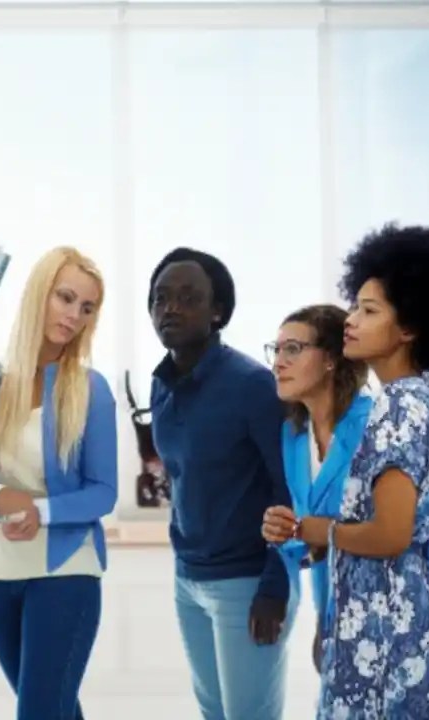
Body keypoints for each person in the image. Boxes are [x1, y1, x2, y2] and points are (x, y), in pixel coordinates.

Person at [263, 224, 429, 719]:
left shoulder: (398, 408)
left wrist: (310, 527)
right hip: (386, 626)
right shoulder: (423, 398)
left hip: (387, 635)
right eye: (354, 306)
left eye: (369, 311)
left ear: (408, 327)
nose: (351, 320)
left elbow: (391, 534)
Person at [0, 246, 117, 720]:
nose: (74, 316)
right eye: (65, 298)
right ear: (39, 294)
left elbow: (103, 491)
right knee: (56, 712)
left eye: (86, 308)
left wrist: (38, 510)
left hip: (65, 571)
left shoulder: (91, 389)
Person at [148, 247, 296, 720]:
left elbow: (286, 486)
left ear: (218, 312)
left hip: (248, 583)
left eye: (188, 297)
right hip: (188, 579)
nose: (170, 307)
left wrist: (275, 584)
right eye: (161, 297)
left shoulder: (252, 383)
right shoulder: (161, 385)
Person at [261, 304, 373, 674]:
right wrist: (284, 533)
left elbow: (400, 528)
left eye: (292, 349)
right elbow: (312, 539)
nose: (279, 362)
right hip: (331, 616)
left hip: (386, 615)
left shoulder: (376, 424)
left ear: (331, 359)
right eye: (276, 350)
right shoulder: (293, 436)